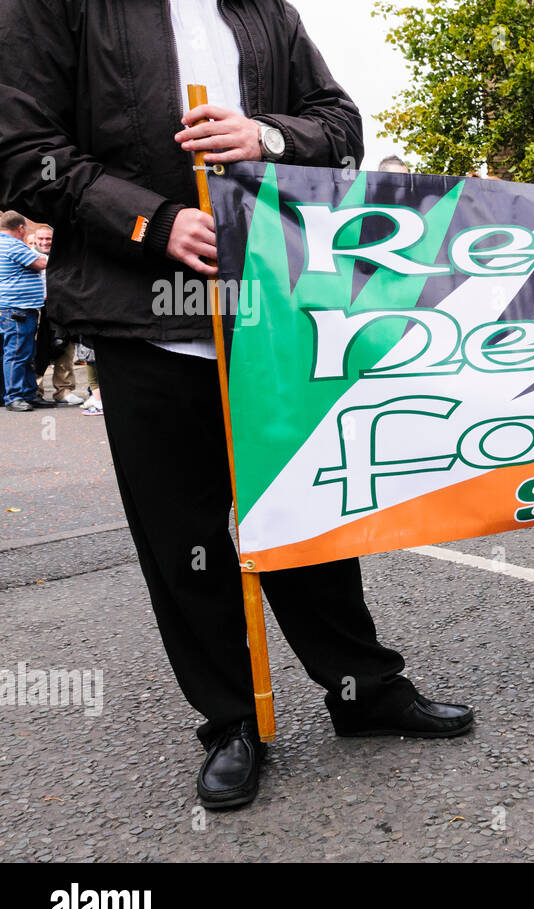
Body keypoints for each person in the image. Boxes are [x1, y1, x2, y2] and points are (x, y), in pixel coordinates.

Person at [0, 0, 473, 811]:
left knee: (303, 514)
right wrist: (152, 221)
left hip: (270, 316)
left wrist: (267, 137)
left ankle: (362, 689)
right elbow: (21, 154)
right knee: (183, 540)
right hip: (145, 319)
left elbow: (341, 123)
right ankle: (230, 719)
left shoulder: (263, 9)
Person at [28, 225, 83, 406]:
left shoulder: (64, 256)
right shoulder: (28, 256)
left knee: (65, 347)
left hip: (61, 307)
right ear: (35, 239)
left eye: (48, 239)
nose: (44, 242)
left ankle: (64, 391)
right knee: (37, 350)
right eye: (41, 239)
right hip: (37, 308)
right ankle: (36, 390)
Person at [0, 210, 49, 412]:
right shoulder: (12, 244)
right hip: (17, 308)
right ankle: (15, 396)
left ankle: (29, 393)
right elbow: (40, 263)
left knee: (25, 352)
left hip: (13, 308)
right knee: (17, 353)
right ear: (20, 228)